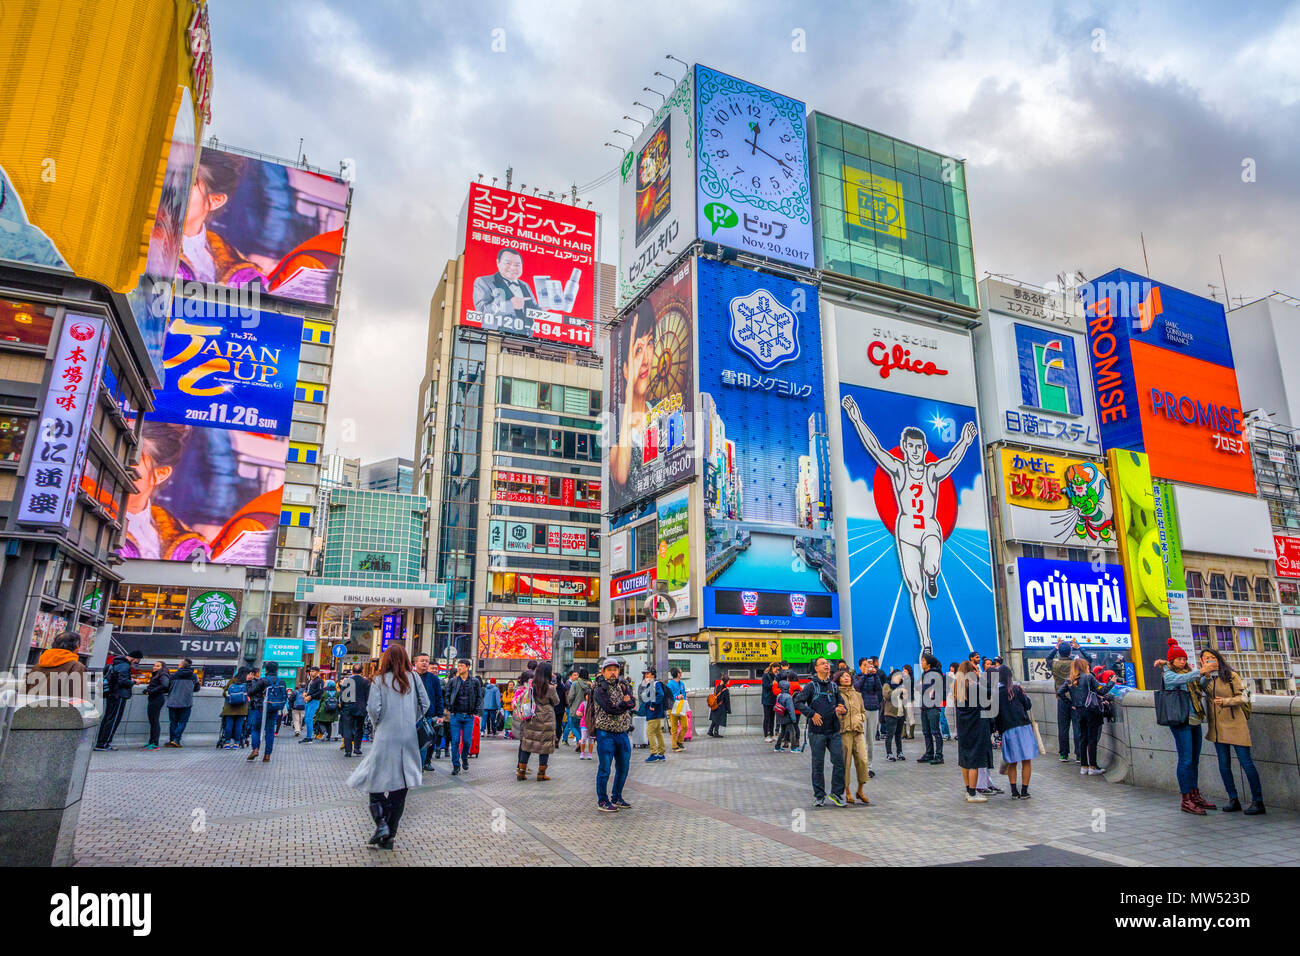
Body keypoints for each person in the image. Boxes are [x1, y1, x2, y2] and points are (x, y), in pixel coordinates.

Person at [841, 396, 978, 657]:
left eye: (919, 447)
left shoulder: (932, 472)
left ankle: (933, 575)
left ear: (925, 448)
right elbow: (876, 449)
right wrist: (856, 419)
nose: (915, 451)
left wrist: (965, 441)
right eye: (911, 446)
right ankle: (926, 642)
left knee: (931, 565)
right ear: (904, 447)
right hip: (905, 532)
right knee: (915, 589)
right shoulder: (899, 470)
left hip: (929, 527)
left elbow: (952, 460)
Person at [347, 643, 429, 851]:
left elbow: (374, 709)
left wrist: (379, 725)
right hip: (409, 737)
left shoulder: (379, 680)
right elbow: (425, 704)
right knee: (401, 786)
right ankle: (390, 835)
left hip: (385, 736)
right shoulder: (414, 678)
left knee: (374, 782)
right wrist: (411, 719)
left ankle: (381, 824)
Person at [118, 423, 210, 561]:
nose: (117, 467)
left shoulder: (186, 543)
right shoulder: (89, 518)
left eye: (131, 461)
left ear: (161, 474)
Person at [1199, 649, 1265, 815]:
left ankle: (1258, 801)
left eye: (1213, 657)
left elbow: (1246, 696)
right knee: (1223, 765)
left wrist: (1226, 701)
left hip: (1235, 724)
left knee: (1246, 762)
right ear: (1201, 661)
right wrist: (1202, 674)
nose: (1210, 661)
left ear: (1219, 659)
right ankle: (1233, 798)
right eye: (1206, 659)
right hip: (1217, 728)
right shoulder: (1204, 680)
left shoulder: (1231, 675)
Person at [1153, 639, 1215, 815]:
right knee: (1185, 759)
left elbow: (1198, 686)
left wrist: (1206, 675)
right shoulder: (1169, 674)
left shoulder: (1189, 672)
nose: (1182, 661)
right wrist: (1199, 671)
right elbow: (1181, 679)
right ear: (1171, 661)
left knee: (1194, 760)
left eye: (1184, 659)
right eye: (1179, 659)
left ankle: (1195, 795)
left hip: (1195, 718)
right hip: (1181, 720)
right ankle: (1186, 799)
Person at [795, 658, 847, 807]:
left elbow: (841, 703)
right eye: (823, 664)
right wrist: (811, 714)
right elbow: (798, 701)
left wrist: (843, 709)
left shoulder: (833, 686)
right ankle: (819, 795)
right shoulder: (811, 686)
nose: (827, 666)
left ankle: (837, 794)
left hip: (834, 731)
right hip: (817, 733)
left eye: (828, 664)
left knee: (839, 762)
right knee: (817, 764)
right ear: (816, 668)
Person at [589, 658, 636, 812]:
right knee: (605, 768)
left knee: (624, 767)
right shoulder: (598, 688)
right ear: (603, 671)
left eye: (615, 669)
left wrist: (624, 704)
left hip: (622, 732)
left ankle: (617, 797)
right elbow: (610, 708)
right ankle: (603, 800)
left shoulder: (624, 685)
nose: (613, 673)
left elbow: (632, 702)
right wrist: (624, 704)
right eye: (609, 670)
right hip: (605, 733)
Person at [995, 665, 1038, 799]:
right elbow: (1028, 705)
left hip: (1008, 729)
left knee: (1012, 761)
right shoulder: (1016, 689)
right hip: (1023, 727)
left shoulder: (995, 693)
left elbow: (995, 714)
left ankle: (1014, 792)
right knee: (1026, 761)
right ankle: (1024, 791)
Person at [1059, 657, 1107, 775]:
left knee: (1083, 738)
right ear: (1084, 666)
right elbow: (1102, 690)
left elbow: (1060, 692)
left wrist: (1071, 704)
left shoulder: (1070, 680)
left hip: (1079, 712)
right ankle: (1093, 767)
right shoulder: (1089, 677)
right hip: (1091, 711)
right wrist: (1112, 681)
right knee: (1092, 739)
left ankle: (1084, 766)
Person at [1046, 639, 1091, 761]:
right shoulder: (1075, 664)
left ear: (1059, 652)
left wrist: (1055, 647)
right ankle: (1079, 754)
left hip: (1061, 699)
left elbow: (1048, 659)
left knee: (1063, 728)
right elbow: (1089, 660)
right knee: (1077, 727)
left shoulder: (1054, 664)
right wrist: (1079, 647)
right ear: (1070, 652)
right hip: (1076, 700)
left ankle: (1063, 754)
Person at [516, 661, 561, 781]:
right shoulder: (550, 687)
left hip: (532, 717)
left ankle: (521, 773)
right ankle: (541, 775)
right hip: (546, 719)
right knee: (544, 747)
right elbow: (556, 702)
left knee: (527, 745)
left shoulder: (531, 685)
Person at [954, 661, 992, 802]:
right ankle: (972, 793)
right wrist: (980, 677)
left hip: (963, 728)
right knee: (974, 761)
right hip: (975, 727)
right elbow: (990, 691)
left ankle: (968, 789)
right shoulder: (975, 688)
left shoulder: (958, 688)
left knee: (965, 760)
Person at [94, 649, 141, 751]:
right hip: (118, 695)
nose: (137, 663)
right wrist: (134, 682)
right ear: (135, 658)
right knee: (114, 720)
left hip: (111, 694)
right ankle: (104, 743)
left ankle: (101, 742)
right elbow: (122, 681)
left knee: (108, 718)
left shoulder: (116, 663)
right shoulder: (125, 666)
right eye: (138, 660)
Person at [837, 669, 870, 805]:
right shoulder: (837, 694)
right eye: (843, 677)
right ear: (838, 679)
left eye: (848, 676)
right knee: (846, 763)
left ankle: (860, 789)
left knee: (863, 760)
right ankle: (847, 791)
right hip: (844, 732)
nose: (846, 678)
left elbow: (863, 711)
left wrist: (860, 717)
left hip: (858, 731)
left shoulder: (858, 695)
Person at [25, 630, 89, 700]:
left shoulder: (38, 665)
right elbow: (77, 697)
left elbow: (25, 691)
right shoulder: (76, 667)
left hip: (33, 708)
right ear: (76, 648)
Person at [444, 658, 482, 776]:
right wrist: (449, 707)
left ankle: (464, 757)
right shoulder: (453, 681)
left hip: (469, 717)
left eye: (461, 666)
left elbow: (479, 697)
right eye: (458, 666)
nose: (459, 668)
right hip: (455, 716)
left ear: (467, 667)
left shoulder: (475, 682)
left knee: (466, 741)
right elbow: (447, 694)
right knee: (455, 741)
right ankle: (456, 765)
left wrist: (476, 710)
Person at [246, 661, 288, 762]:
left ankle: (255, 749)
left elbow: (251, 692)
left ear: (267, 669)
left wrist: (248, 682)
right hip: (274, 709)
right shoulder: (281, 682)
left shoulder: (263, 680)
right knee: (270, 731)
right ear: (277, 670)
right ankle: (267, 755)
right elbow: (284, 696)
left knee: (256, 728)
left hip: (261, 708)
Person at [853, 657, 882, 775]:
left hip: (873, 709)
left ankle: (869, 766)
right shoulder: (857, 677)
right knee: (862, 739)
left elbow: (879, 689)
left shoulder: (873, 676)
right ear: (860, 666)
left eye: (869, 665)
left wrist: (875, 675)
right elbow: (857, 687)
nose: (867, 667)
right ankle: (862, 766)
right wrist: (865, 675)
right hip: (862, 711)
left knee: (871, 739)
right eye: (864, 665)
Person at [164, 658, 200, 747]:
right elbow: (197, 688)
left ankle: (172, 739)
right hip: (186, 702)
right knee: (183, 722)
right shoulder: (194, 676)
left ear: (181, 666)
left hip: (173, 701)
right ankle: (176, 740)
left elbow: (167, 687)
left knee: (173, 722)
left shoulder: (173, 675)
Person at [339, 664, 372, 758]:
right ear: (362, 671)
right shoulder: (366, 682)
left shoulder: (347, 681)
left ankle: (348, 750)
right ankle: (357, 748)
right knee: (359, 728)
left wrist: (343, 707)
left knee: (347, 729)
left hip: (348, 708)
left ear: (352, 671)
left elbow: (343, 697)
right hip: (361, 708)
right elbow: (368, 696)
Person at [918, 653, 946, 765]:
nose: (922, 663)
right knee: (926, 731)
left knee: (935, 731)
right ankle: (929, 753)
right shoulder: (924, 674)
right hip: (924, 706)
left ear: (928, 663)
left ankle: (939, 755)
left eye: (923, 661)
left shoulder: (936, 674)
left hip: (933, 706)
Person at [219, 666, 251, 749]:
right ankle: (236, 743)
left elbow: (224, 693)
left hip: (230, 707)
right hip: (242, 708)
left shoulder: (232, 680)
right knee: (239, 725)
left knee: (229, 725)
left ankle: (227, 743)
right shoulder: (246, 683)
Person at [640, 668, 668, 762]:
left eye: (647, 674)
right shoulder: (652, 684)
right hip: (656, 712)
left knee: (649, 732)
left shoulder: (654, 684)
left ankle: (654, 753)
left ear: (653, 675)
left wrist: (653, 704)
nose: (645, 676)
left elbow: (660, 695)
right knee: (658, 732)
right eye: (645, 674)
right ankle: (661, 753)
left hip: (654, 712)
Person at [143, 661, 170, 750]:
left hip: (157, 699)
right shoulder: (157, 675)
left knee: (154, 721)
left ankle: (155, 743)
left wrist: (151, 691)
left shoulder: (163, 674)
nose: (155, 667)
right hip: (154, 698)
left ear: (162, 667)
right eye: (154, 665)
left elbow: (165, 685)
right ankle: (151, 741)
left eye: (158, 666)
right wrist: (148, 690)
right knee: (152, 721)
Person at [881, 670, 907, 761]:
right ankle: (889, 753)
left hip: (900, 713)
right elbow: (888, 696)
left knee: (898, 735)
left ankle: (899, 752)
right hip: (890, 713)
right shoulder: (887, 685)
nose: (899, 678)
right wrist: (898, 690)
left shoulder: (902, 686)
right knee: (890, 734)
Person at [565, 668, 590, 748]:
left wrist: (570, 704)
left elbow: (571, 696)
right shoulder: (589, 684)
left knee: (573, 726)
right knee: (581, 726)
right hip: (586, 709)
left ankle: (579, 740)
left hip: (575, 708)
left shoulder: (575, 683)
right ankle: (581, 742)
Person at [666, 667, 689, 752]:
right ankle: (674, 745)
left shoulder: (682, 683)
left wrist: (685, 698)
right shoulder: (670, 684)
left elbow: (684, 693)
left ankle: (679, 741)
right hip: (673, 707)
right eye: (680, 672)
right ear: (678, 674)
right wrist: (676, 696)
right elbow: (668, 696)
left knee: (685, 726)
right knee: (674, 727)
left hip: (681, 706)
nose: (682, 673)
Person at [298, 667, 324, 744]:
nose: (311, 673)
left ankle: (309, 737)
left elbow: (320, 691)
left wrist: (311, 696)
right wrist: (304, 693)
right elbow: (306, 689)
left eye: (313, 671)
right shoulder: (310, 681)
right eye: (311, 671)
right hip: (308, 701)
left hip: (314, 701)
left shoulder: (319, 681)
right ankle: (308, 736)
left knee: (309, 719)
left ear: (317, 672)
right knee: (307, 719)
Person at [773, 679, 798, 751]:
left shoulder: (779, 695)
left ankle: (777, 747)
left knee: (782, 732)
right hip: (787, 717)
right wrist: (793, 719)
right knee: (792, 732)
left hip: (780, 716)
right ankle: (793, 748)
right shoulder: (788, 697)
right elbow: (791, 709)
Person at [761, 662, 780, 741]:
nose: (777, 671)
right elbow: (765, 686)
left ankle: (772, 735)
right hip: (767, 699)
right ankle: (766, 735)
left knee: (772, 718)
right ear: (773, 667)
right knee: (767, 718)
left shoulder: (776, 676)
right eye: (777, 669)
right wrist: (773, 684)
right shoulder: (766, 675)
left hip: (773, 699)